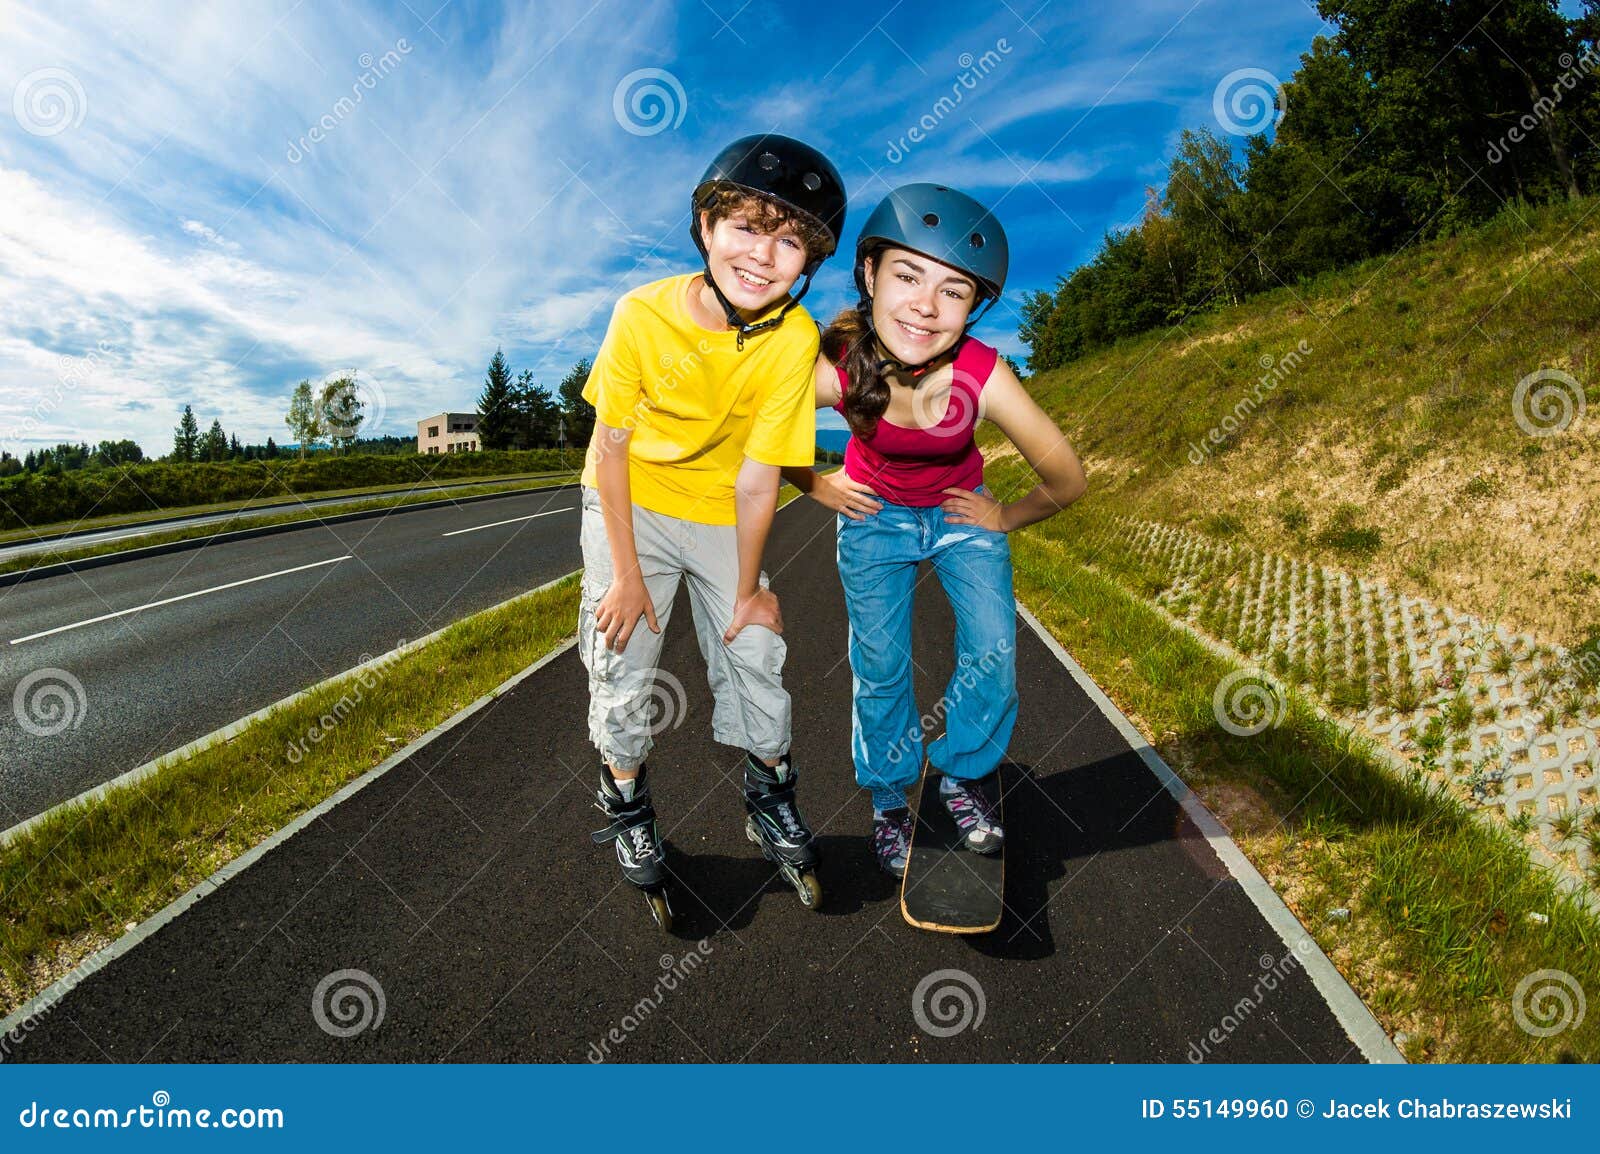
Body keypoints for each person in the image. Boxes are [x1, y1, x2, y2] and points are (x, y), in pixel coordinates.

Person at [579, 135, 847, 926]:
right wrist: (628, 576)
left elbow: (762, 476)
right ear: (705, 225)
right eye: (747, 228)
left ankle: (770, 796)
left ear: (809, 263)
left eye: (789, 241)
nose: (763, 255)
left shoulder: (793, 341)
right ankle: (627, 800)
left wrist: (748, 589)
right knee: (624, 650)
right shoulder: (641, 314)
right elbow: (611, 448)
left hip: (723, 507)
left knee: (754, 646)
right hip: (631, 501)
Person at [782, 184, 1086, 878]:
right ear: (869, 275)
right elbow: (759, 423)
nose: (925, 304)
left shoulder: (984, 374)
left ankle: (962, 774)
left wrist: (1004, 516)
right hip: (874, 519)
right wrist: (818, 484)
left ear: (973, 307)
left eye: (953, 291)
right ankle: (891, 799)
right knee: (881, 667)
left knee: (992, 653)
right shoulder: (838, 366)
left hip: (959, 511)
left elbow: (1067, 478)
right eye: (907, 276)